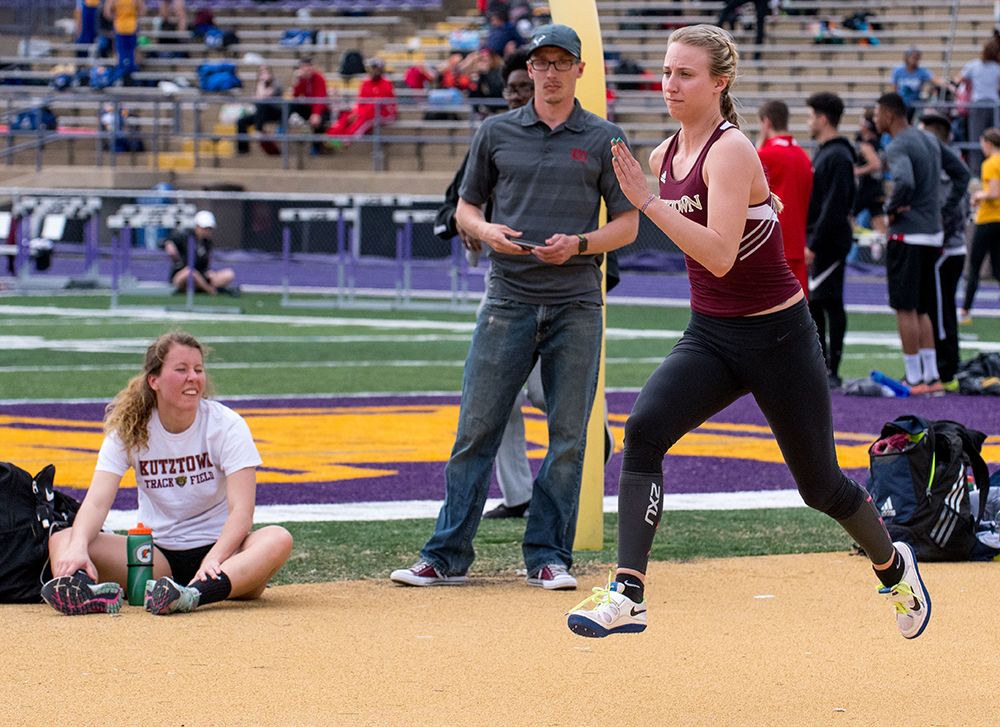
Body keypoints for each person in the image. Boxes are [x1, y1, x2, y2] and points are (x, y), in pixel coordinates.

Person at [566, 24, 930, 641]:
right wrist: (647, 196)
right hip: (711, 335)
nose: (670, 84)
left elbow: (719, 256)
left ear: (720, 82)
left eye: (685, 74)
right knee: (645, 429)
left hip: (779, 339)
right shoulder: (662, 156)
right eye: (666, 71)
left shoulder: (732, 150)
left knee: (821, 488)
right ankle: (629, 591)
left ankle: (895, 569)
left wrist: (648, 204)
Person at [390, 24, 639, 590]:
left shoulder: (606, 138)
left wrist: (579, 244)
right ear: (529, 70)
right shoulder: (495, 131)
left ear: (579, 70)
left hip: (576, 302)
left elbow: (628, 224)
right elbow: (465, 209)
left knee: (570, 437)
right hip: (507, 298)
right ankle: (446, 553)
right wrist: (487, 231)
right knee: (476, 429)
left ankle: (548, 555)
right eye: (541, 63)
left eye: (561, 63)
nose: (550, 73)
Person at [40, 331, 293, 616]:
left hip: (225, 554)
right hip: (156, 557)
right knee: (64, 538)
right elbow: (97, 502)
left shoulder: (227, 425)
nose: (193, 377)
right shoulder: (130, 428)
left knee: (278, 538)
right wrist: (78, 548)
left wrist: (215, 559)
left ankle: (192, 595)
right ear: (154, 381)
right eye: (181, 369)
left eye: (198, 370)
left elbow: (242, 511)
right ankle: (86, 591)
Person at [874, 92, 950, 394]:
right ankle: (931, 377)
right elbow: (958, 174)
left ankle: (914, 378)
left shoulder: (898, 144)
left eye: (878, 113)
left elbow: (904, 180)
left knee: (905, 308)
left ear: (890, 115)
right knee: (922, 308)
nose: (875, 118)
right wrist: (940, 210)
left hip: (907, 234)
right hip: (931, 233)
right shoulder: (930, 139)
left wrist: (891, 209)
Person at [804, 92, 855, 389]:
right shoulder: (827, 152)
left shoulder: (837, 155)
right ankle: (822, 366)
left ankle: (832, 368)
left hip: (829, 241)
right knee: (818, 303)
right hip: (822, 238)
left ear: (823, 119)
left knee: (830, 302)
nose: (809, 122)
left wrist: (814, 242)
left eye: (811, 116)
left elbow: (834, 205)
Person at [918, 112, 970, 387]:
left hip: (945, 249)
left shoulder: (944, 169)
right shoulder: (948, 164)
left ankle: (945, 365)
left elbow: (951, 209)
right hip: (951, 247)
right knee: (941, 307)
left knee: (939, 310)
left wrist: (939, 226)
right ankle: (946, 363)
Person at [755, 99, 813, 297]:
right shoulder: (803, 156)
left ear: (766, 123)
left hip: (771, 247)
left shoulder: (766, 155)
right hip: (797, 245)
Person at [961, 127, 1000, 323]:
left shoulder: (991, 163)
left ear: (988, 144)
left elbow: (994, 192)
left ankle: (966, 310)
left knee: (974, 265)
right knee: (998, 267)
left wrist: (978, 195)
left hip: (988, 219)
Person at [954, 31, 1000, 177]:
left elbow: (957, 80)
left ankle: (975, 173)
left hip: (978, 105)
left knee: (977, 139)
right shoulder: (997, 68)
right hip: (993, 105)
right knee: (994, 138)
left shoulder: (973, 65)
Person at [164, 210, 238, 296]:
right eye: (204, 228)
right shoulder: (186, 237)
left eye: (209, 229)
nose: (206, 232)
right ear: (197, 226)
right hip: (183, 276)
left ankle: (201, 287)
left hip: (201, 276)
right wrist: (169, 244)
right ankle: (210, 290)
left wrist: (209, 273)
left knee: (229, 274)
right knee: (190, 272)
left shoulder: (207, 243)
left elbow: (204, 264)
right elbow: (166, 240)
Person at [326, 57, 396, 146]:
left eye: (378, 68)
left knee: (365, 116)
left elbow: (379, 103)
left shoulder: (386, 83)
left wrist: (360, 112)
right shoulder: (366, 83)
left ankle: (346, 139)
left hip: (383, 113)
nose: (375, 70)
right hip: (367, 112)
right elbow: (361, 101)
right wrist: (356, 112)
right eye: (374, 67)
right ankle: (332, 136)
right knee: (346, 116)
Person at [236, 64, 283, 155]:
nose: (263, 74)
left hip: (275, 112)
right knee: (241, 121)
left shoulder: (276, 84)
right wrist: (261, 83)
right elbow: (259, 98)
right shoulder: (259, 85)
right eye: (261, 72)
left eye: (265, 71)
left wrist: (264, 82)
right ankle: (243, 151)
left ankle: (259, 130)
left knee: (262, 103)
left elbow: (265, 97)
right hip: (261, 114)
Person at [290, 57, 331, 155]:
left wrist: (316, 114)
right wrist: (297, 82)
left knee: (318, 122)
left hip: (321, 110)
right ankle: (282, 127)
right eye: (304, 68)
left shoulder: (319, 78)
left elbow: (320, 98)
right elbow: (295, 97)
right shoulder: (301, 80)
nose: (307, 71)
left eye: (308, 68)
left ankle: (316, 148)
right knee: (290, 105)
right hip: (308, 108)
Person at [852, 108, 886, 232]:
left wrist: (856, 171)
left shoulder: (866, 146)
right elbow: (884, 166)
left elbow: (876, 164)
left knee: (846, 216)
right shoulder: (879, 146)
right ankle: (879, 246)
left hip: (866, 190)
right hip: (877, 189)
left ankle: (863, 236)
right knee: (880, 225)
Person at [890, 46, 944, 121]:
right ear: (907, 57)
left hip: (915, 106)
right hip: (901, 105)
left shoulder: (921, 71)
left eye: (918, 57)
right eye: (914, 57)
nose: (916, 60)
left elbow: (935, 79)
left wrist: (946, 83)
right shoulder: (898, 70)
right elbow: (894, 88)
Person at [104, 0, 145, 86]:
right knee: (131, 54)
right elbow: (142, 11)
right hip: (131, 27)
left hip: (120, 27)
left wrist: (116, 16)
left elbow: (107, 13)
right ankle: (133, 81)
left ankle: (120, 79)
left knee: (121, 55)